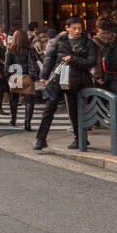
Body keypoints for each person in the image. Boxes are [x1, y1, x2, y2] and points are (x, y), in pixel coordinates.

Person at [33, 17, 99, 151]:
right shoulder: (58, 41)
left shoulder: (89, 43)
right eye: (74, 28)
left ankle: (80, 138)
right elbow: (49, 59)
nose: (77, 31)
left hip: (78, 80)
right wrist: (44, 76)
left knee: (75, 111)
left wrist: (73, 59)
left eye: (79, 28)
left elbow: (91, 61)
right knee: (49, 109)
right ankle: (41, 139)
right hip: (59, 78)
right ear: (67, 28)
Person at [4, 28, 41, 131]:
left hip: (15, 76)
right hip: (27, 76)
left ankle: (13, 119)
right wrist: (34, 76)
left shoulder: (10, 49)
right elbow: (34, 63)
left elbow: (7, 65)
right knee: (29, 101)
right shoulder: (30, 49)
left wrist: (8, 77)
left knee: (14, 99)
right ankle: (27, 123)